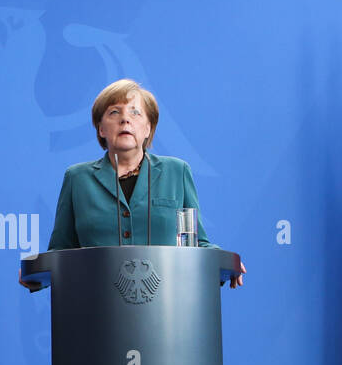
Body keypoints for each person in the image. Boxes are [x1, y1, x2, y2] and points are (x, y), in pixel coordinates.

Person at [38, 78, 244, 286]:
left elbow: (197, 244)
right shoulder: (77, 178)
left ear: (148, 129)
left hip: (168, 305)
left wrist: (225, 263)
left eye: (135, 112)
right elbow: (60, 250)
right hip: (97, 304)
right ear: (101, 129)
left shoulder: (176, 172)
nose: (125, 119)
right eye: (114, 112)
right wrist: (37, 275)